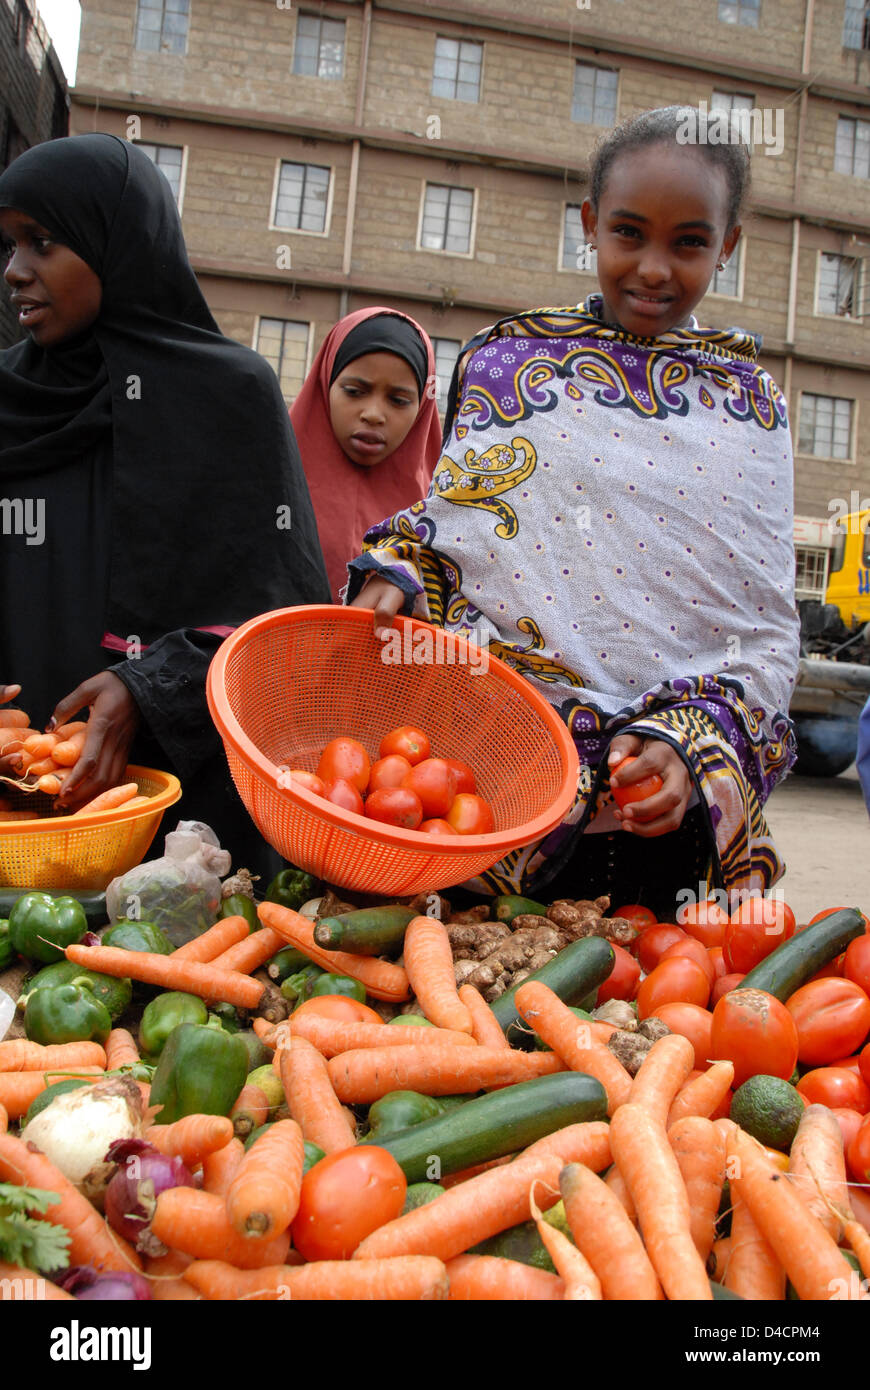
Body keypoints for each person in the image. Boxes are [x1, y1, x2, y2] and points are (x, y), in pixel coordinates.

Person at [347, 106, 801, 916]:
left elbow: (763, 623)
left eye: (689, 243)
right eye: (629, 233)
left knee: (659, 1012)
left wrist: (691, 741)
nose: (655, 269)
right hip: (502, 773)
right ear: (589, 225)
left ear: (727, 246)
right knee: (484, 1000)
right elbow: (456, 527)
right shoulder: (504, 366)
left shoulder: (751, 406)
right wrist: (405, 570)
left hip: (666, 800)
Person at [0, 133, 331, 876]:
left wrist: (146, 686)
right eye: (10, 245)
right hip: (18, 800)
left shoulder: (228, 395)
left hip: (184, 812)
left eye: (43, 243)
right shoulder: (9, 400)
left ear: (117, 243)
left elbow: (282, 621)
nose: (16, 272)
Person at [290, 307, 443, 602]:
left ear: (422, 407)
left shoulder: (443, 512)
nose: (373, 415)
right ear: (326, 384)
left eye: (398, 400)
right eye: (354, 391)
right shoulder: (266, 486)